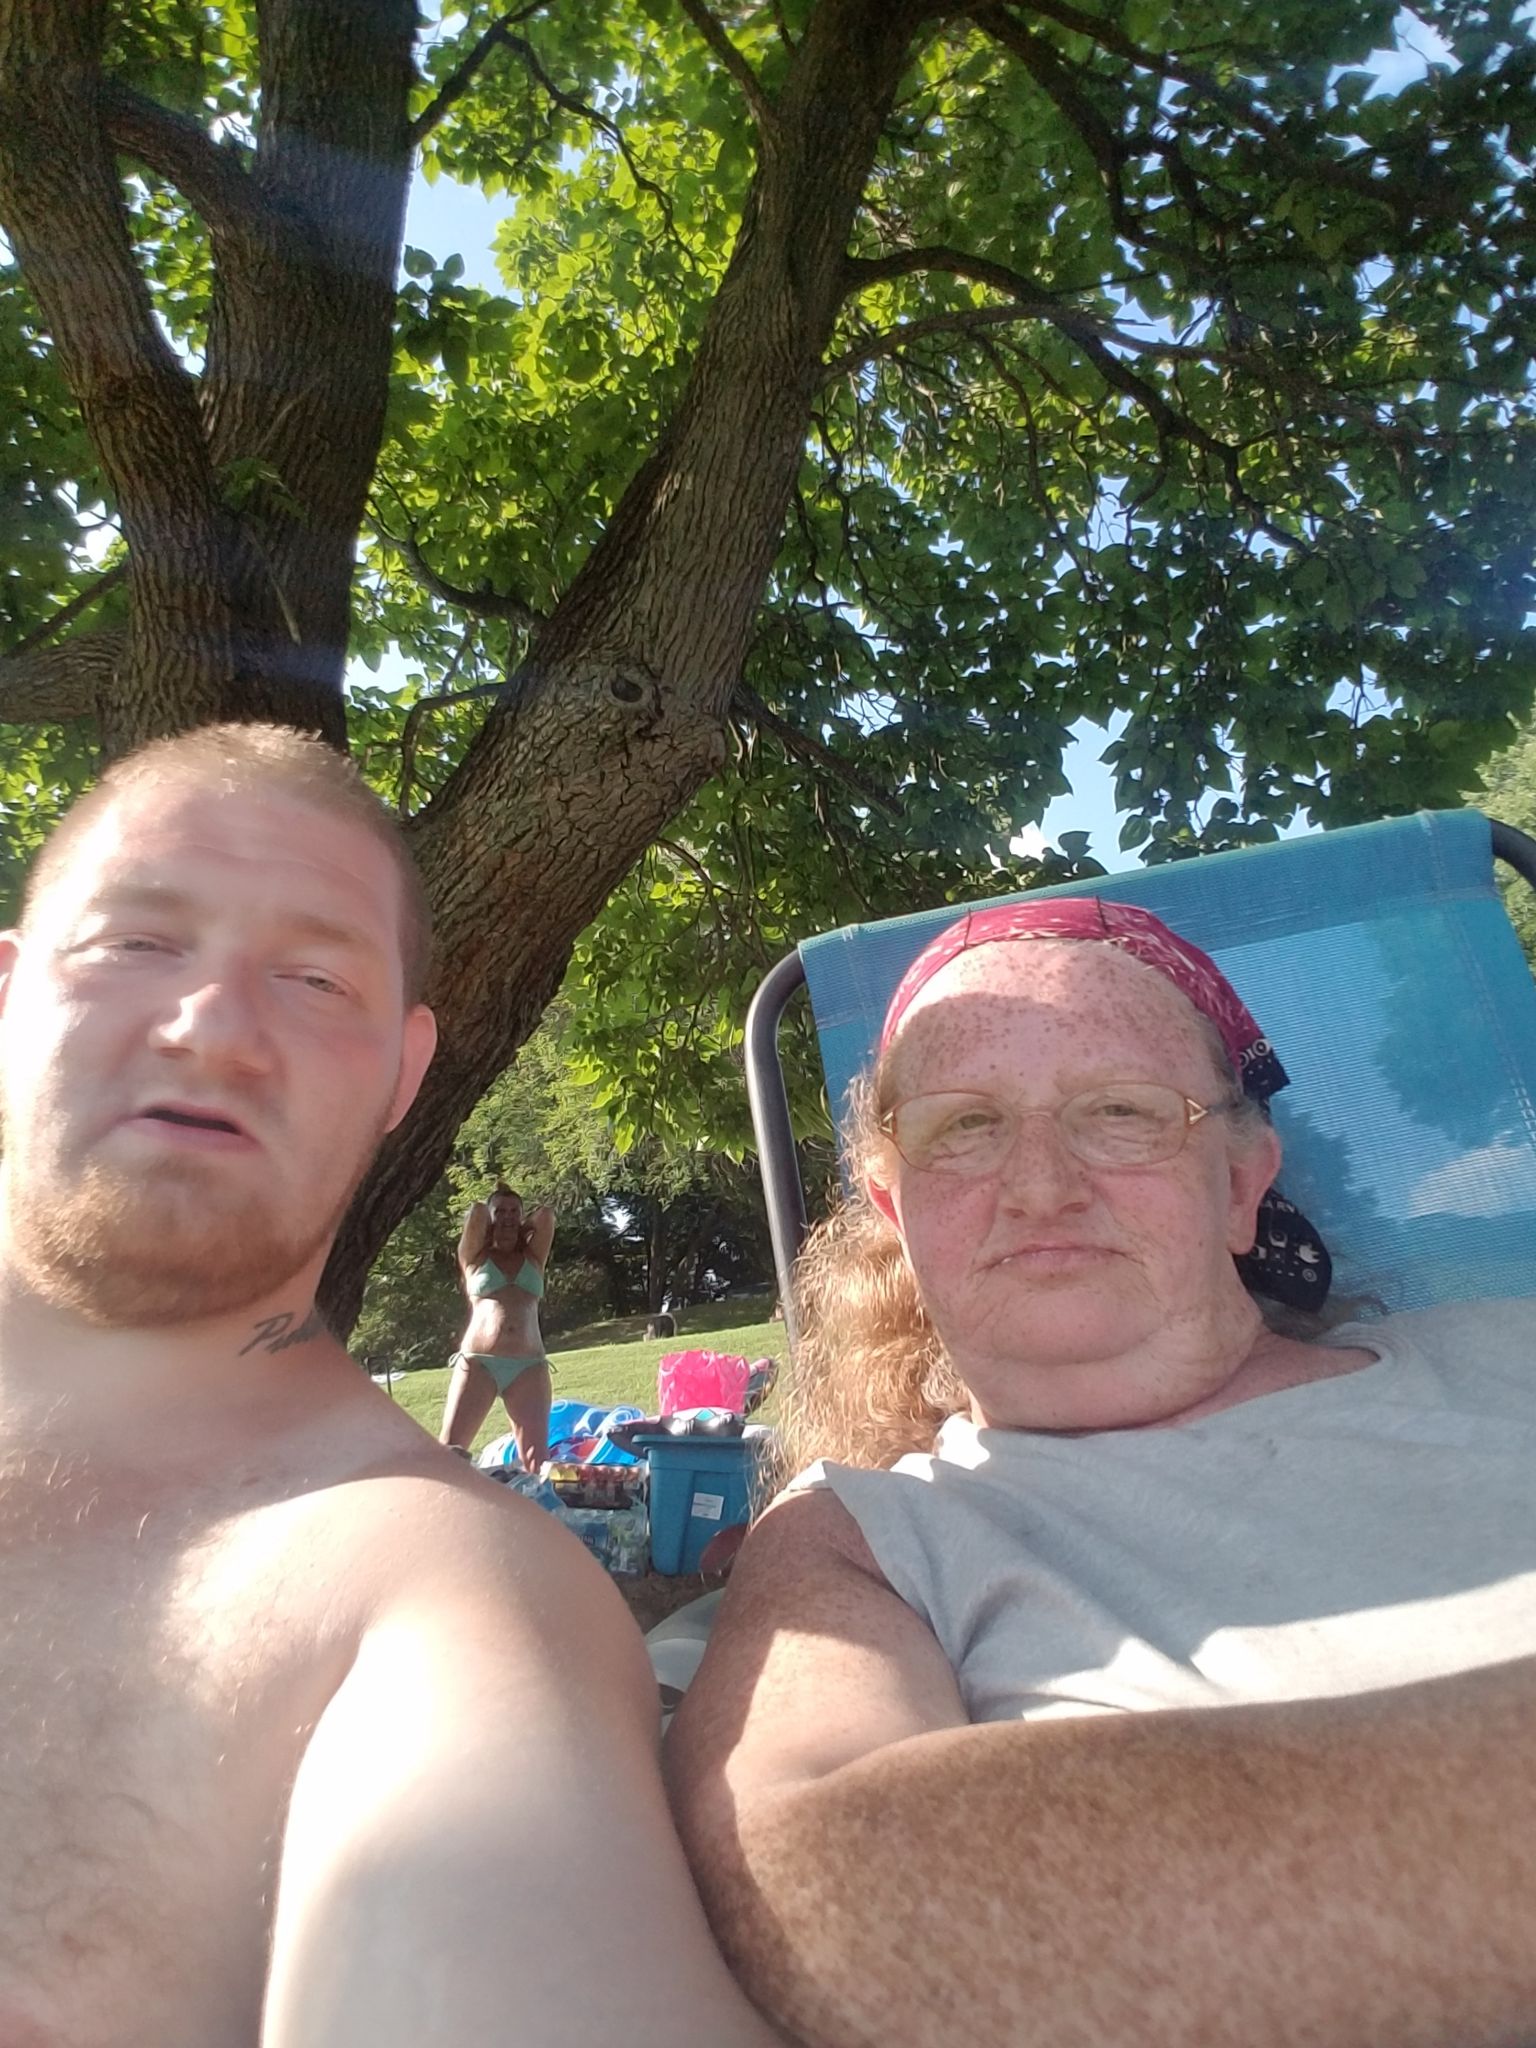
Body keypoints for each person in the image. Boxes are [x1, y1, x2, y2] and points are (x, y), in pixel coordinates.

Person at [0, 723, 781, 2048]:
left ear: (403, 1076)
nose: (212, 1028)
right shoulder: (486, 1249)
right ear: (11, 992)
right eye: (137, 941)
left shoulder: (435, 1591)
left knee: (519, 1456)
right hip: (489, 1341)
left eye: (314, 978)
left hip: (514, 1349)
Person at [666, 897, 1536, 2048]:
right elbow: (824, 1880)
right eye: (964, 1126)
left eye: (1122, 1112)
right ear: (896, 1210)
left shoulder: (1512, 1350)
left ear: (1242, 1184)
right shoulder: (862, 1532)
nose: (1040, 1185)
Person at [440, 1182, 554, 1465]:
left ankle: (531, 1497)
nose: (507, 1216)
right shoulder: (474, 1258)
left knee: (537, 1460)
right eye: (500, 1211)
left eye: (514, 1211)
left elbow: (546, 1216)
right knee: (450, 1451)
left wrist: (520, 1227)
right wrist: (495, 1220)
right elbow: (477, 1212)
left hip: (529, 1366)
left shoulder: (533, 1257)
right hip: (479, 1363)